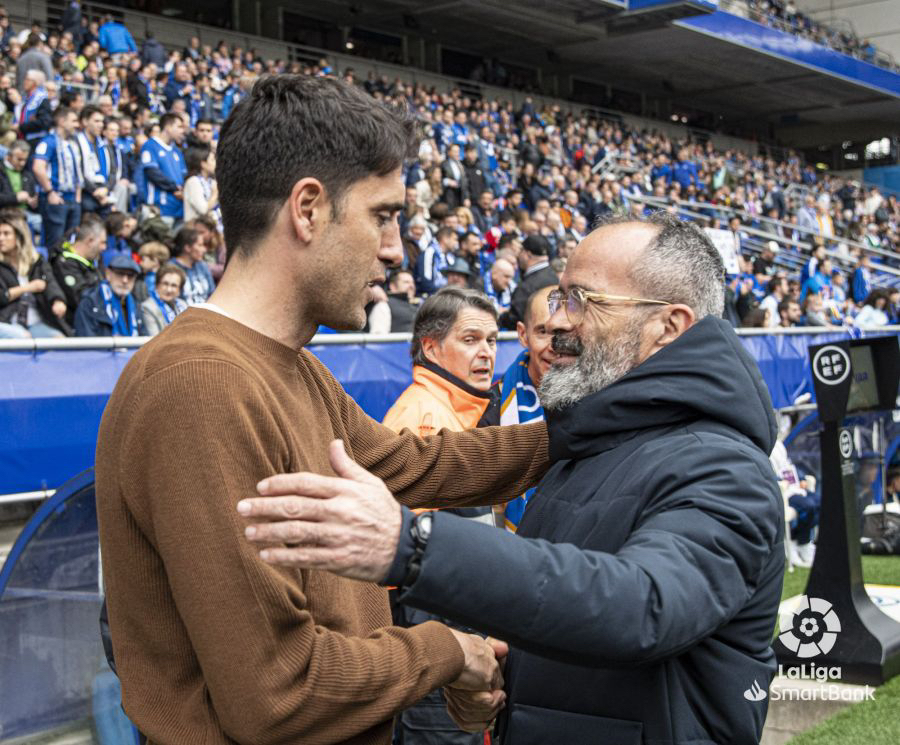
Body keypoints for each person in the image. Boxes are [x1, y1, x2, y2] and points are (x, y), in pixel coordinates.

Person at [95, 75, 549, 745]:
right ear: (308, 209)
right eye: (383, 215)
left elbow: (416, 466)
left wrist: (580, 430)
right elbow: (278, 691)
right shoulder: (202, 384)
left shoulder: (291, 365)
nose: (395, 249)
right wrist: (446, 651)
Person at [243, 213, 785, 743]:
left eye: (583, 300)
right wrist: (500, 683)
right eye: (559, 297)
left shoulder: (724, 467)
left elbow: (641, 605)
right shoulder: (593, 440)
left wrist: (411, 546)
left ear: (669, 326)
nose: (561, 322)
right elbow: (561, 609)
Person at [382, 286, 500, 743]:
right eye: (471, 339)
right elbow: (415, 558)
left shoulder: (455, 411)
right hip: (436, 628)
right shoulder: (426, 418)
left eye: (492, 340)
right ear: (431, 347)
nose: (486, 352)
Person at [499, 285, 557, 532]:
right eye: (543, 331)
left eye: (564, 332)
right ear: (523, 335)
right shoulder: (493, 403)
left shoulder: (597, 402)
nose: (556, 345)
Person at [0, 209, 68, 336]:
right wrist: (28, 288)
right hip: (6, 321)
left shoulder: (37, 261)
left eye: (6, 234)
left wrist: (58, 300)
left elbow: (50, 282)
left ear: (19, 236)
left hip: (35, 322)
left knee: (58, 340)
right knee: (22, 337)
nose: (1, 238)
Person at [33, 106, 83, 249]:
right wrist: (50, 192)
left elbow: (77, 171)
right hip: (56, 199)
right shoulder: (48, 141)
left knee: (70, 244)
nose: (77, 125)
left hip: (72, 199)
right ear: (62, 121)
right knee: (54, 244)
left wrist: (77, 197)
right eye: (73, 121)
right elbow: (38, 167)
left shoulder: (73, 143)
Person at [50, 214, 105, 326]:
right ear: (90, 240)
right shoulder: (64, 263)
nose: (104, 248)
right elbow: (81, 298)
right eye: (102, 242)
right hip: (75, 324)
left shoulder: (92, 262)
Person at [74, 253, 144, 336]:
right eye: (120, 273)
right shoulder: (90, 303)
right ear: (108, 274)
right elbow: (86, 342)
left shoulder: (135, 304)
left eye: (130, 276)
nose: (125, 280)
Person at [500, 234, 558, 329]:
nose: (519, 255)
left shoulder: (528, 285)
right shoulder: (553, 277)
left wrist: (502, 315)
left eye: (521, 251)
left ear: (527, 254)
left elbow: (515, 319)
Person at [138, 112, 186, 223]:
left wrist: (184, 190)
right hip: (160, 209)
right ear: (168, 127)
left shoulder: (177, 151)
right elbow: (152, 173)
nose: (182, 131)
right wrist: (175, 188)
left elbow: (184, 175)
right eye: (179, 127)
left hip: (179, 209)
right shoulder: (150, 145)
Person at [169, 225, 214, 305]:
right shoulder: (171, 268)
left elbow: (212, 292)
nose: (204, 249)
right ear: (188, 248)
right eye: (200, 245)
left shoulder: (202, 266)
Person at [141, 262, 187, 335]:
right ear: (157, 285)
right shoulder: (148, 307)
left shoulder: (183, 305)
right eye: (165, 284)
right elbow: (154, 339)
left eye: (174, 285)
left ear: (179, 290)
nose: (169, 290)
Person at [367, 267, 417, 333]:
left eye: (412, 282)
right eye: (406, 282)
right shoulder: (383, 305)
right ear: (393, 286)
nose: (411, 286)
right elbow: (378, 338)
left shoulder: (418, 305)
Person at [182, 146, 220, 228]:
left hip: (211, 228)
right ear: (203, 164)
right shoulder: (193, 182)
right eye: (213, 160)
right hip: (196, 230)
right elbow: (203, 210)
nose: (216, 163)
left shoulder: (212, 181)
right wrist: (215, 194)